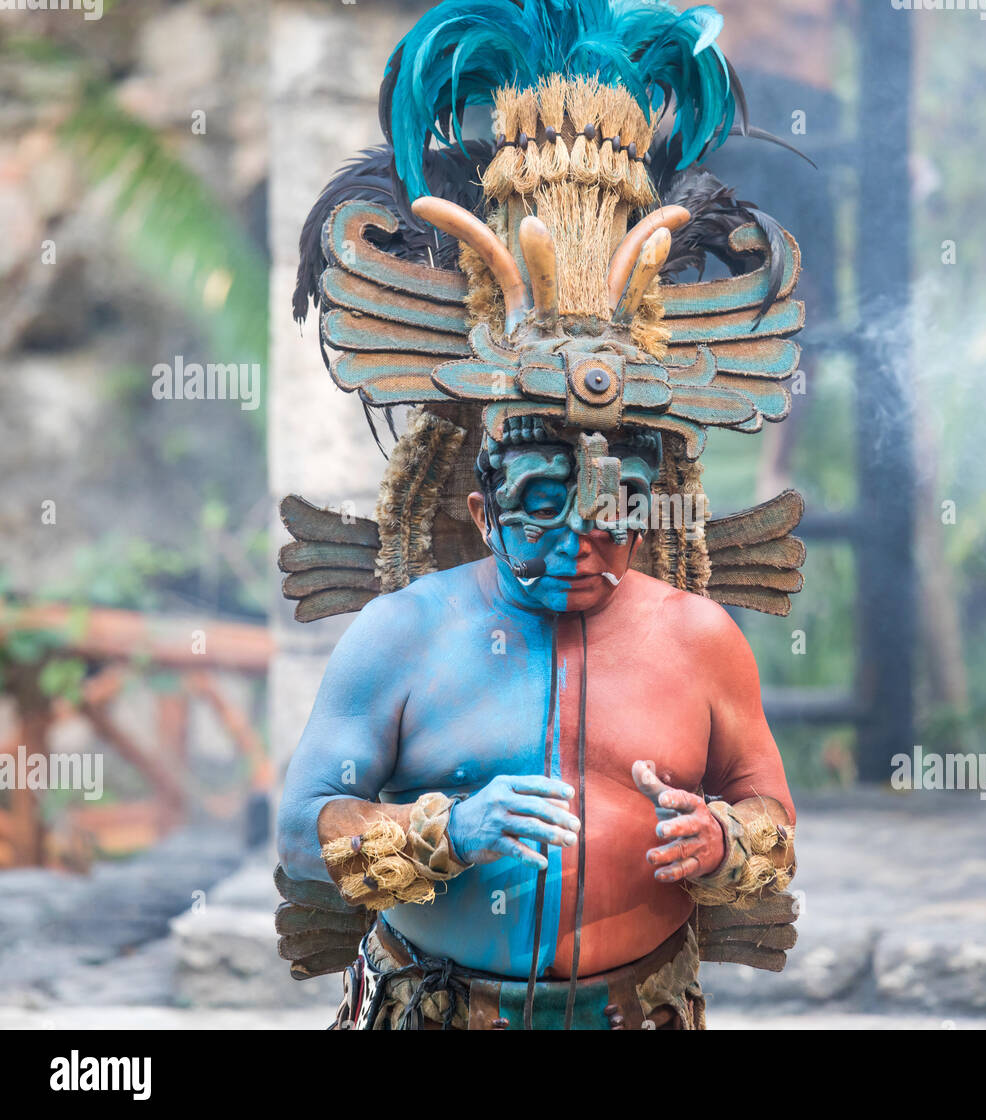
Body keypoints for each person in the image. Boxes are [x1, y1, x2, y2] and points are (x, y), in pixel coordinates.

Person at [274, 0, 810, 1029]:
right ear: (480, 509)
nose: (579, 543)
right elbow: (303, 831)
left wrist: (724, 841)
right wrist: (449, 831)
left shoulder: (699, 638)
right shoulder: (407, 631)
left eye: (613, 515)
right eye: (540, 509)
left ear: (652, 512)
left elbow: (771, 815)